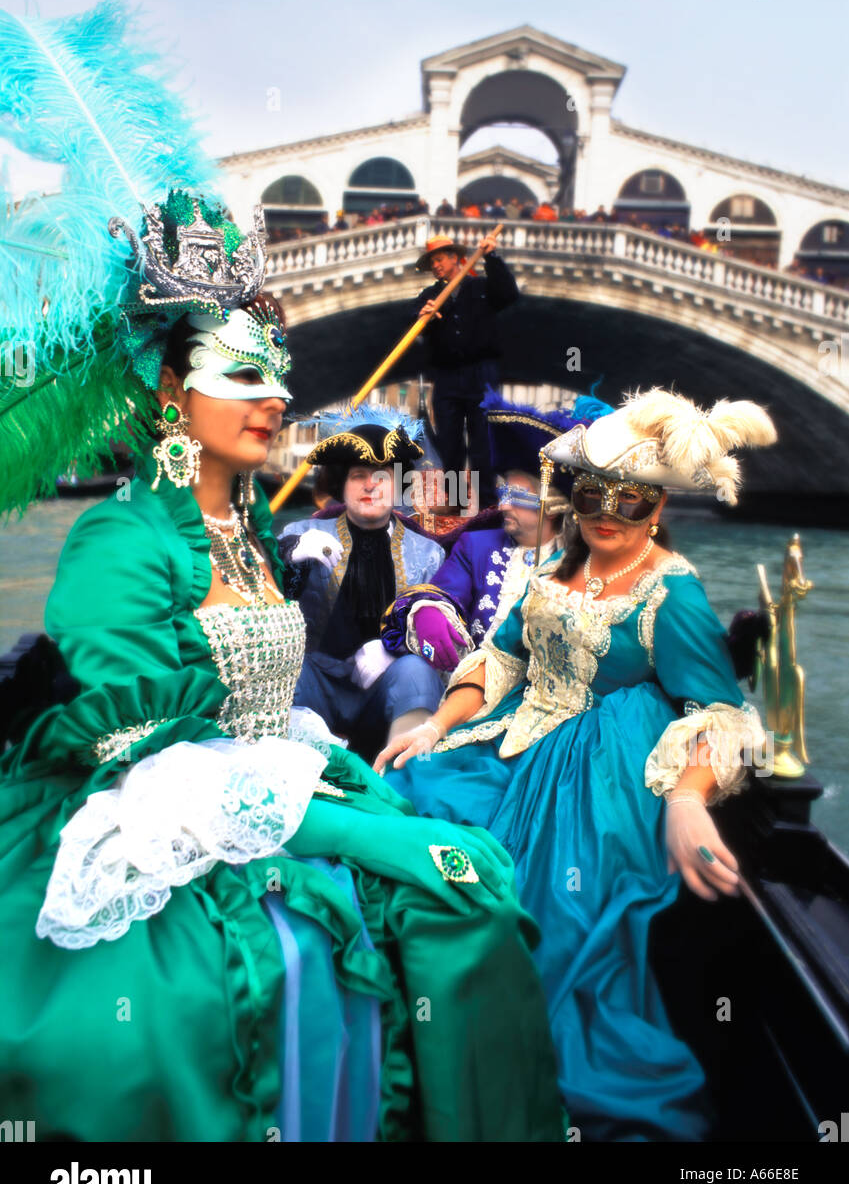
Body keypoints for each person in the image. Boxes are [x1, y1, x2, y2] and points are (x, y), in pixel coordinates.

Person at [0, 0, 566, 1144]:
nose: (274, 397)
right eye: (240, 373)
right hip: (166, 822)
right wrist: (327, 813)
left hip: (269, 783)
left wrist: (319, 767)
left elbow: (259, 709)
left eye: (277, 372)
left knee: (471, 885)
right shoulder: (122, 542)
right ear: (173, 392)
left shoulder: (249, 532)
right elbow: (140, 753)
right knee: (432, 901)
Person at [378, 387, 778, 1140]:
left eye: (629, 500)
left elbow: (722, 713)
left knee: (546, 909)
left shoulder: (672, 593)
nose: (606, 514)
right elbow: (500, 660)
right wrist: (436, 723)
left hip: (600, 778)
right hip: (511, 743)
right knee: (406, 803)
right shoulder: (555, 571)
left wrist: (687, 800)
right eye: (592, 495)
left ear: (656, 506)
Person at [381, 389, 589, 670]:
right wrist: (430, 609)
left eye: (515, 496)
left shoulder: (582, 558)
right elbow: (445, 591)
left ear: (552, 505)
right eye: (502, 493)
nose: (502, 506)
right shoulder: (476, 546)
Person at [282, 408, 446, 760]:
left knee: (416, 671)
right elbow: (270, 599)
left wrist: (396, 648)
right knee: (290, 667)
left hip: (386, 688)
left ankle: (404, 774)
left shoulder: (429, 554)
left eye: (382, 476)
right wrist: (289, 556)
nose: (370, 485)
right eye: (359, 475)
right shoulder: (301, 534)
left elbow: (438, 629)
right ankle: (303, 771)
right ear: (342, 485)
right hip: (315, 683)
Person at [413, 232, 520, 508]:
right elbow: (414, 324)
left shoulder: (481, 288)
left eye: (439, 259)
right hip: (447, 376)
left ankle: (486, 503)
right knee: (449, 442)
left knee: (482, 441)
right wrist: (423, 316)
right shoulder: (429, 296)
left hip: (481, 373)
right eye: (432, 263)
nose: (435, 266)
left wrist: (491, 258)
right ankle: (456, 500)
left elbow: (508, 294)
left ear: (455, 258)